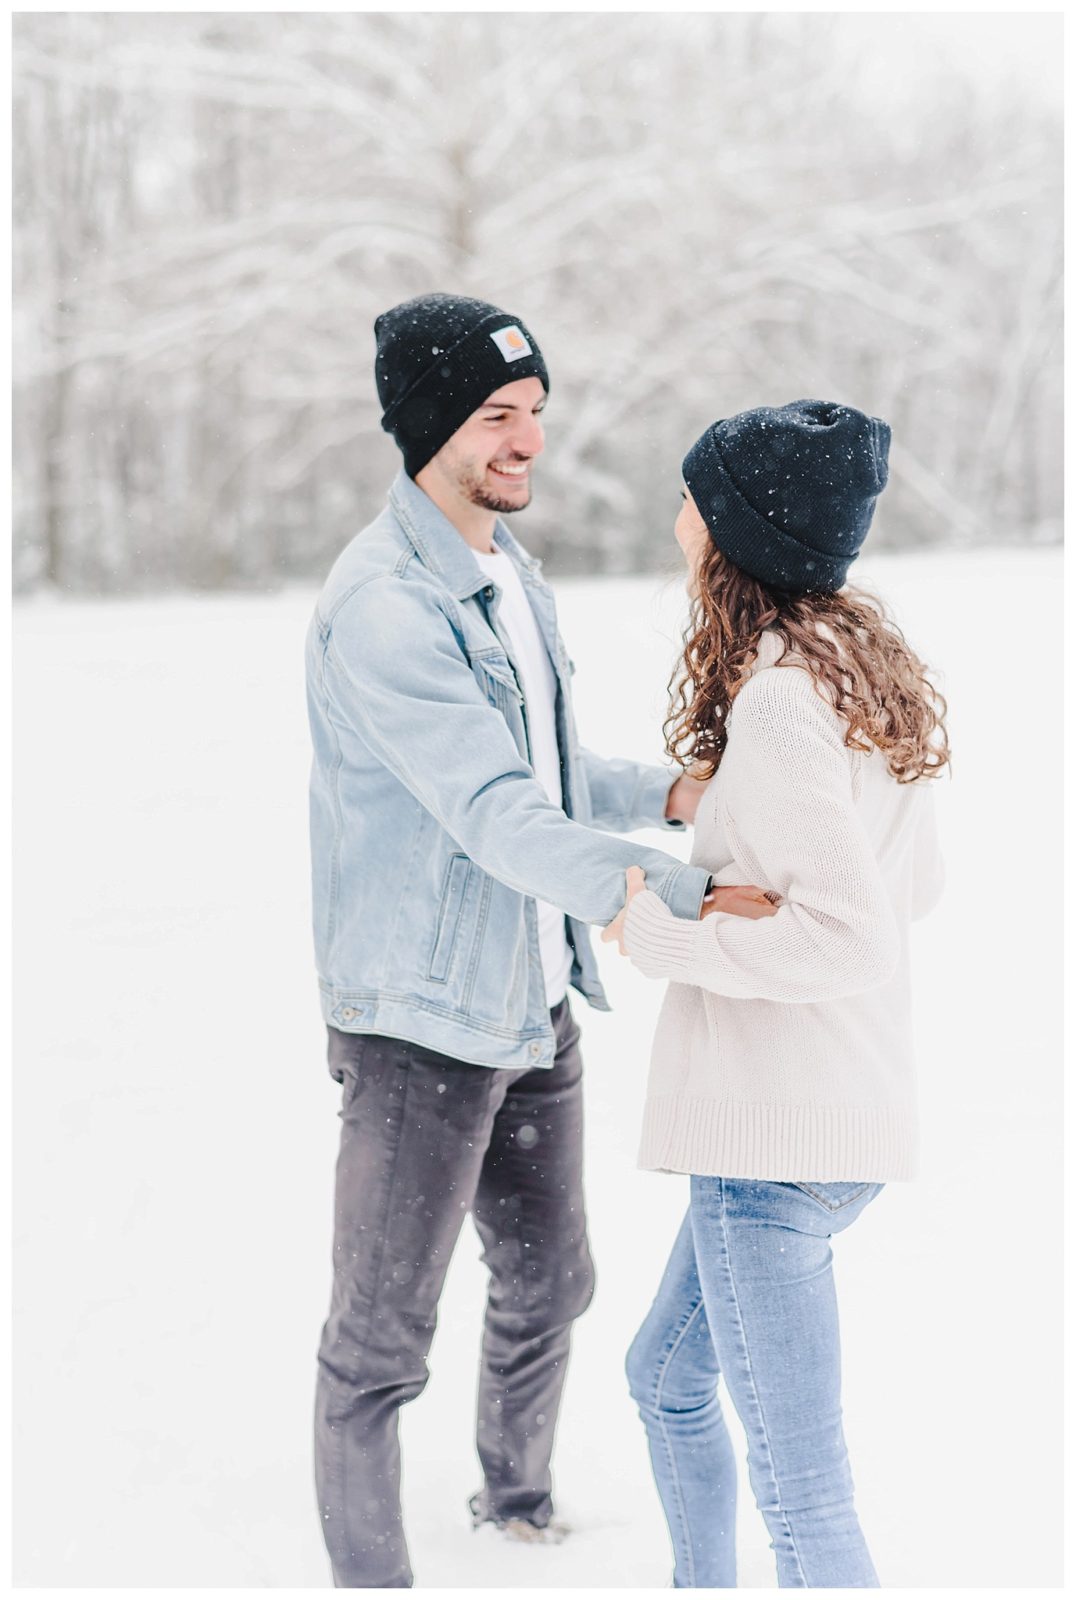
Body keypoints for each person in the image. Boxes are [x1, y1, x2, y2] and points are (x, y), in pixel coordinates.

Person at [305, 292, 729, 1588]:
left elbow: (538, 768)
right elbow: (492, 810)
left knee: (553, 1281)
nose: (528, 440)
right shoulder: (385, 605)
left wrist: (669, 794)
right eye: (497, 415)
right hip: (421, 1024)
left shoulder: (505, 574)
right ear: (427, 426)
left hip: (528, 998)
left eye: (535, 410)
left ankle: (518, 1507)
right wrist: (669, 894)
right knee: (379, 1344)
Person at [602, 399, 948, 1588]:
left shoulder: (783, 701)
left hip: (774, 1146)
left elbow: (849, 937)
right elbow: (915, 884)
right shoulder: (854, 670)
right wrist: (760, 891)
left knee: (803, 1499)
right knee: (662, 1379)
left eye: (692, 498)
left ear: (738, 532)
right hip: (831, 1124)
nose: (678, 516)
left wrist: (670, 932)